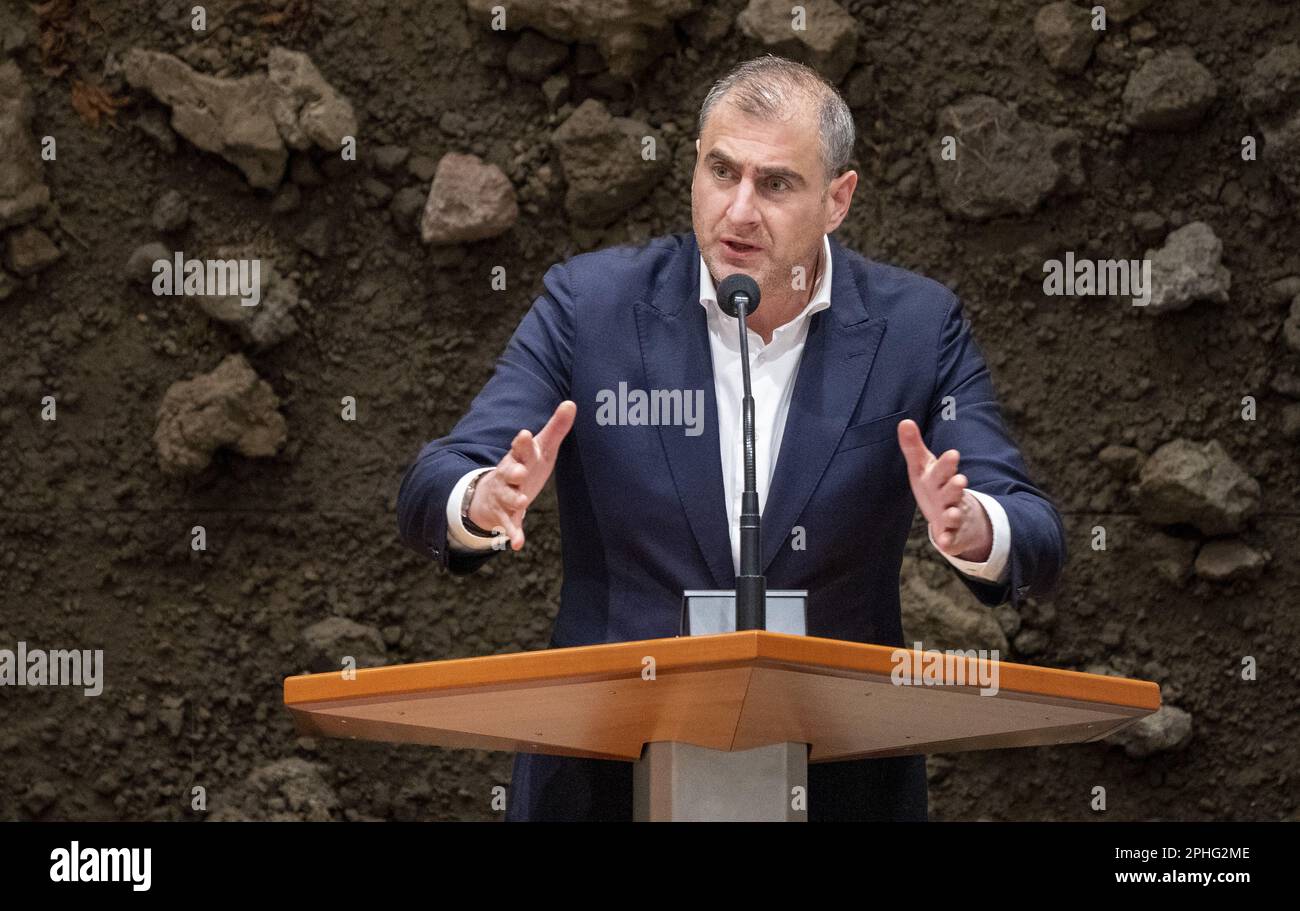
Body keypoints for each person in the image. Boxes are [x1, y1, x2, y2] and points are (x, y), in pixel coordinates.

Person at [397, 54, 1067, 821]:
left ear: (838, 199)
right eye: (722, 172)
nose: (739, 210)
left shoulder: (916, 326)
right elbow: (433, 482)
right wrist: (480, 499)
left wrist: (974, 524)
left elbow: (1036, 532)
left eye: (775, 184)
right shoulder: (590, 306)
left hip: (839, 788)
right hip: (602, 785)